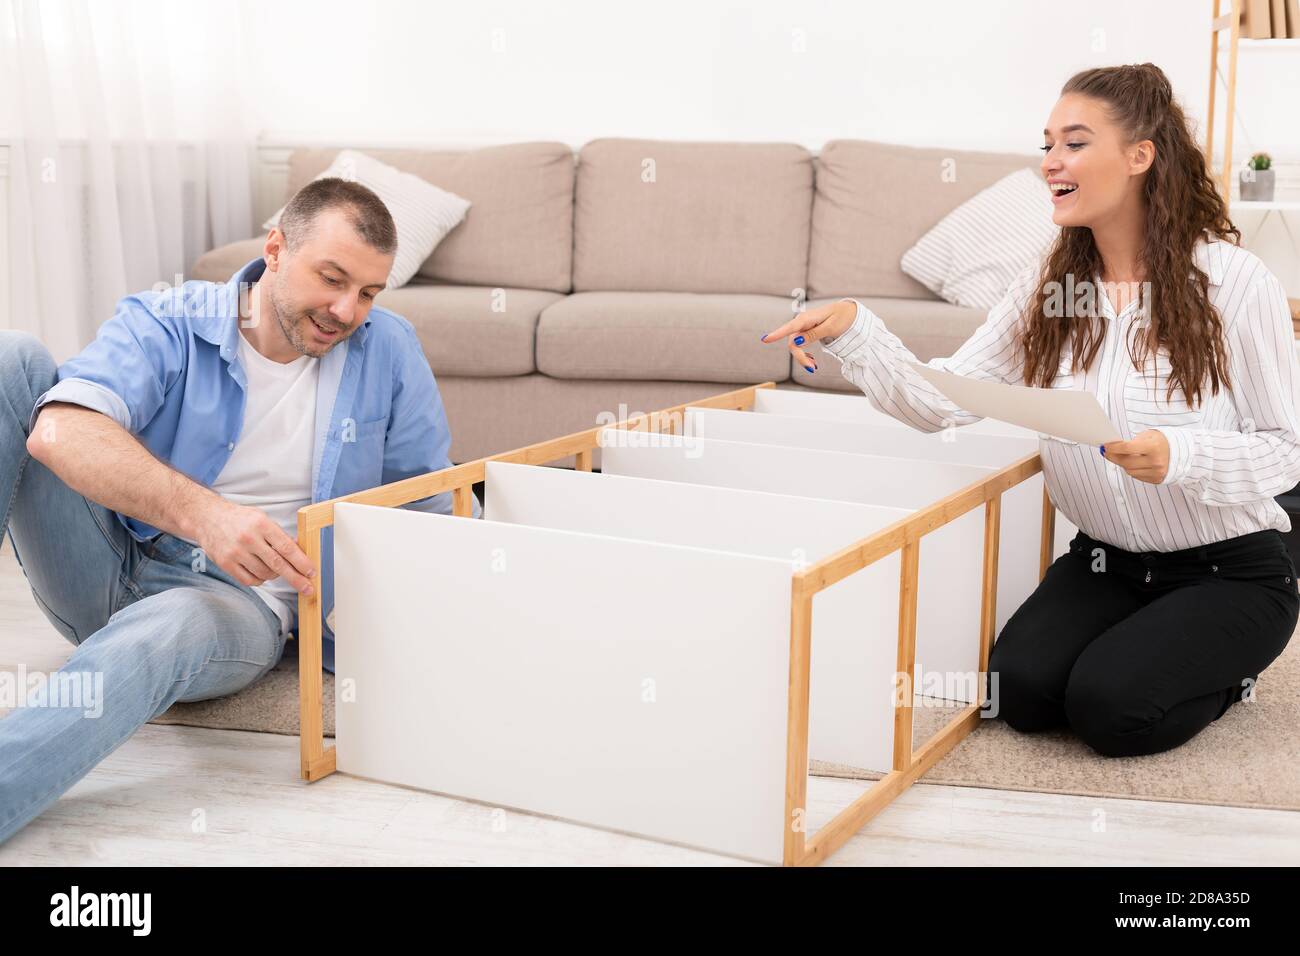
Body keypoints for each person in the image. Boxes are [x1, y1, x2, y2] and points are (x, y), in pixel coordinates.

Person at [761, 63, 1300, 758]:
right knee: (1021, 694)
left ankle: (1232, 676)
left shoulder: (1234, 281)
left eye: (1074, 143)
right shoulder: (1050, 284)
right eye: (1046, 144)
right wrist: (854, 331)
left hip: (1231, 569)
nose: (1050, 162)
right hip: (1106, 562)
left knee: (1112, 711)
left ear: (1140, 156)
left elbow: (1286, 447)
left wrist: (1182, 455)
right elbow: (940, 400)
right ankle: (1145, 649)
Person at [0, 177, 478, 844]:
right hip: (110, 558)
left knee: (164, 630)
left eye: (368, 292)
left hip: (237, 605)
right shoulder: (170, 321)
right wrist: (208, 517)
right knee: (10, 359)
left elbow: (426, 503)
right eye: (332, 278)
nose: (347, 310)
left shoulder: (389, 351)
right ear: (276, 250)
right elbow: (58, 433)